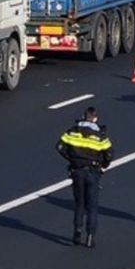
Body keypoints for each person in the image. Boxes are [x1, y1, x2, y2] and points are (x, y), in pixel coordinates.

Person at [57, 106, 113, 248]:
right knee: (92, 206)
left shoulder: (73, 131)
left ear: (83, 116)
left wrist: (71, 159)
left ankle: (77, 232)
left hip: (77, 171)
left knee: (79, 204)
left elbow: (59, 146)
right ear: (95, 118)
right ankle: (90, 237)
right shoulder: (100, 135)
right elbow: (110, 154)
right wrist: (103, 165)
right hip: (93, 172)